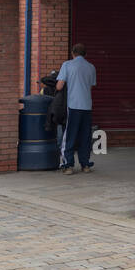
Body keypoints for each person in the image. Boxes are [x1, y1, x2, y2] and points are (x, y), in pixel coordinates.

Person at [56, 44, 97, 175]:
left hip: (72, 105)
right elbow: (90, 86)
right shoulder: (91, 67)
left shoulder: (67, 65)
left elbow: (59, 86)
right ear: (85, 54)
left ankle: (68, 165)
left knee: (69, 136)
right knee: (85, 136)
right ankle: (85, 164)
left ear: (73, 53)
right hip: (87, 106)